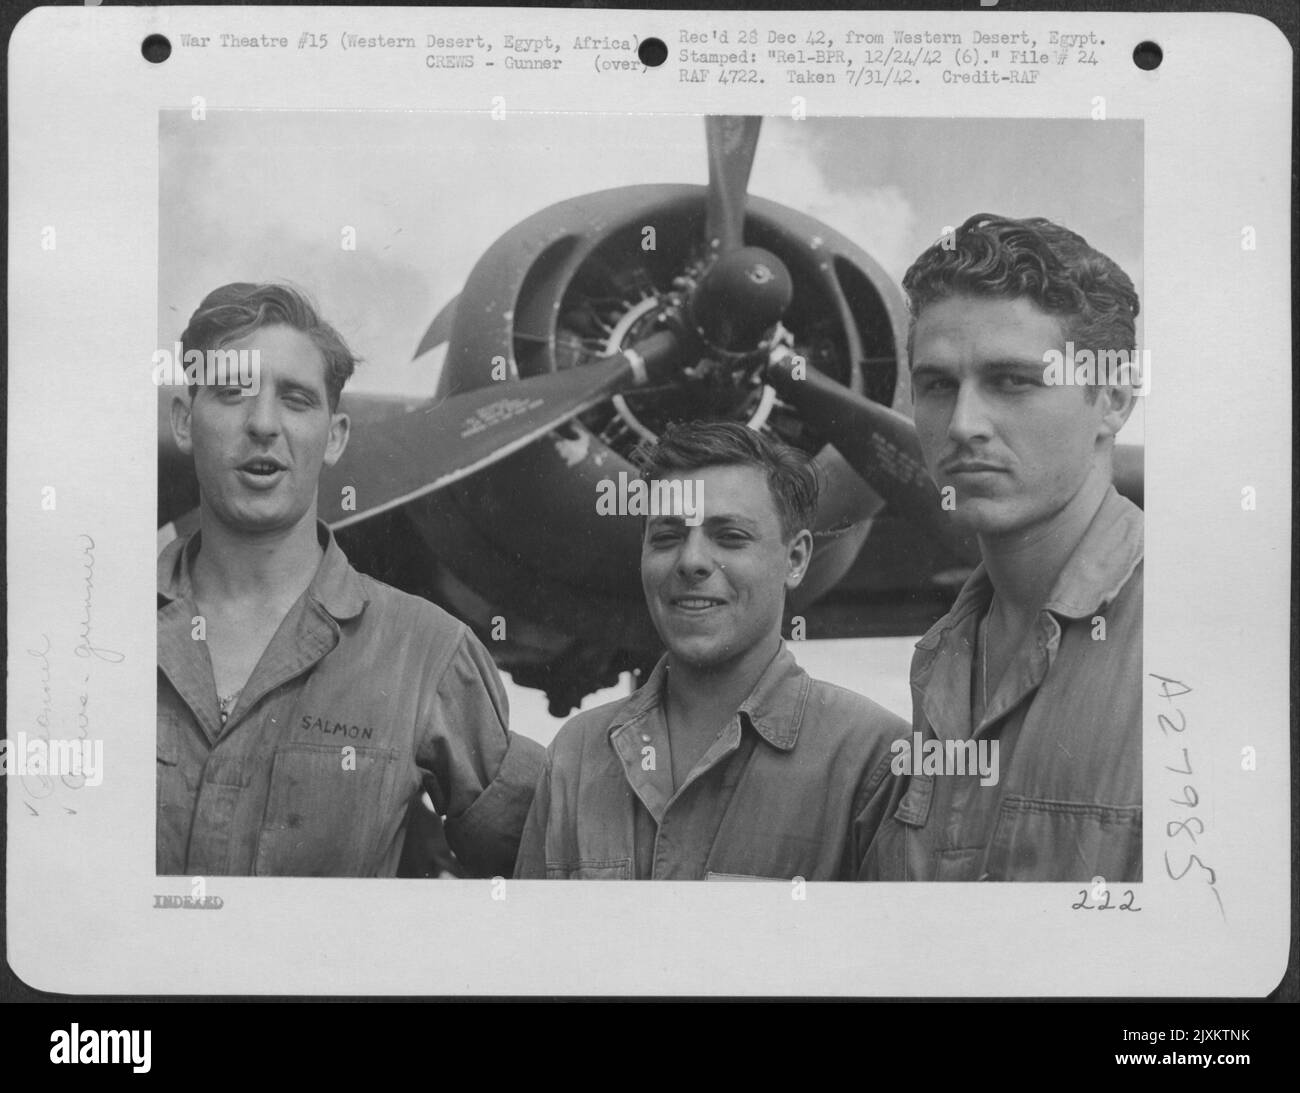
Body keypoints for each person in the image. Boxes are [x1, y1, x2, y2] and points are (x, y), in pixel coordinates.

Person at [157, 282, 544, 876]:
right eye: (232, 392)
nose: (263, 423)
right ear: (184, 421)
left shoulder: (428, 653)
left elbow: (549, 855)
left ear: (335, 436)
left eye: (296, 399)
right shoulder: (91, 629)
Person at [861, 213, 1143, 882]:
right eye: (936, 385)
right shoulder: (942, 653)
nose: (963, 426)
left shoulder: (1192, 642)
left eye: (1012, 381)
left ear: (1111, 399)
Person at [514, 421, 909, 880]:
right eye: (666, 537)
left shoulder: (877, 761)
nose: (691, 561)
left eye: (730, 537)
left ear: (796, 559)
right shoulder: (576, 756)